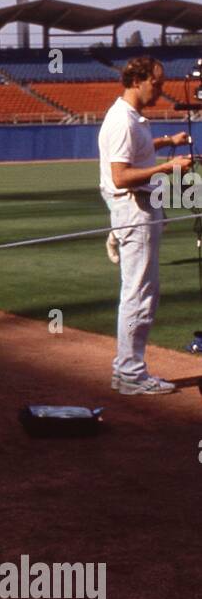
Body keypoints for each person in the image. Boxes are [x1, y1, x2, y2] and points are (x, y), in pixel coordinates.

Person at [98, 56, 191, 394]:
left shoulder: (132, 117)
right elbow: (121, 175)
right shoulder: (122, 120)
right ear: (137, 80)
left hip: (140, 207)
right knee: (139, 293)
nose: (161, 89)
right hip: (134, 208)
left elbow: (136, 152)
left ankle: (128, 370)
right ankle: (130, 374)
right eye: (157, 82)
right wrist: (168, 169)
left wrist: (168, 143)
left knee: (141, 291)